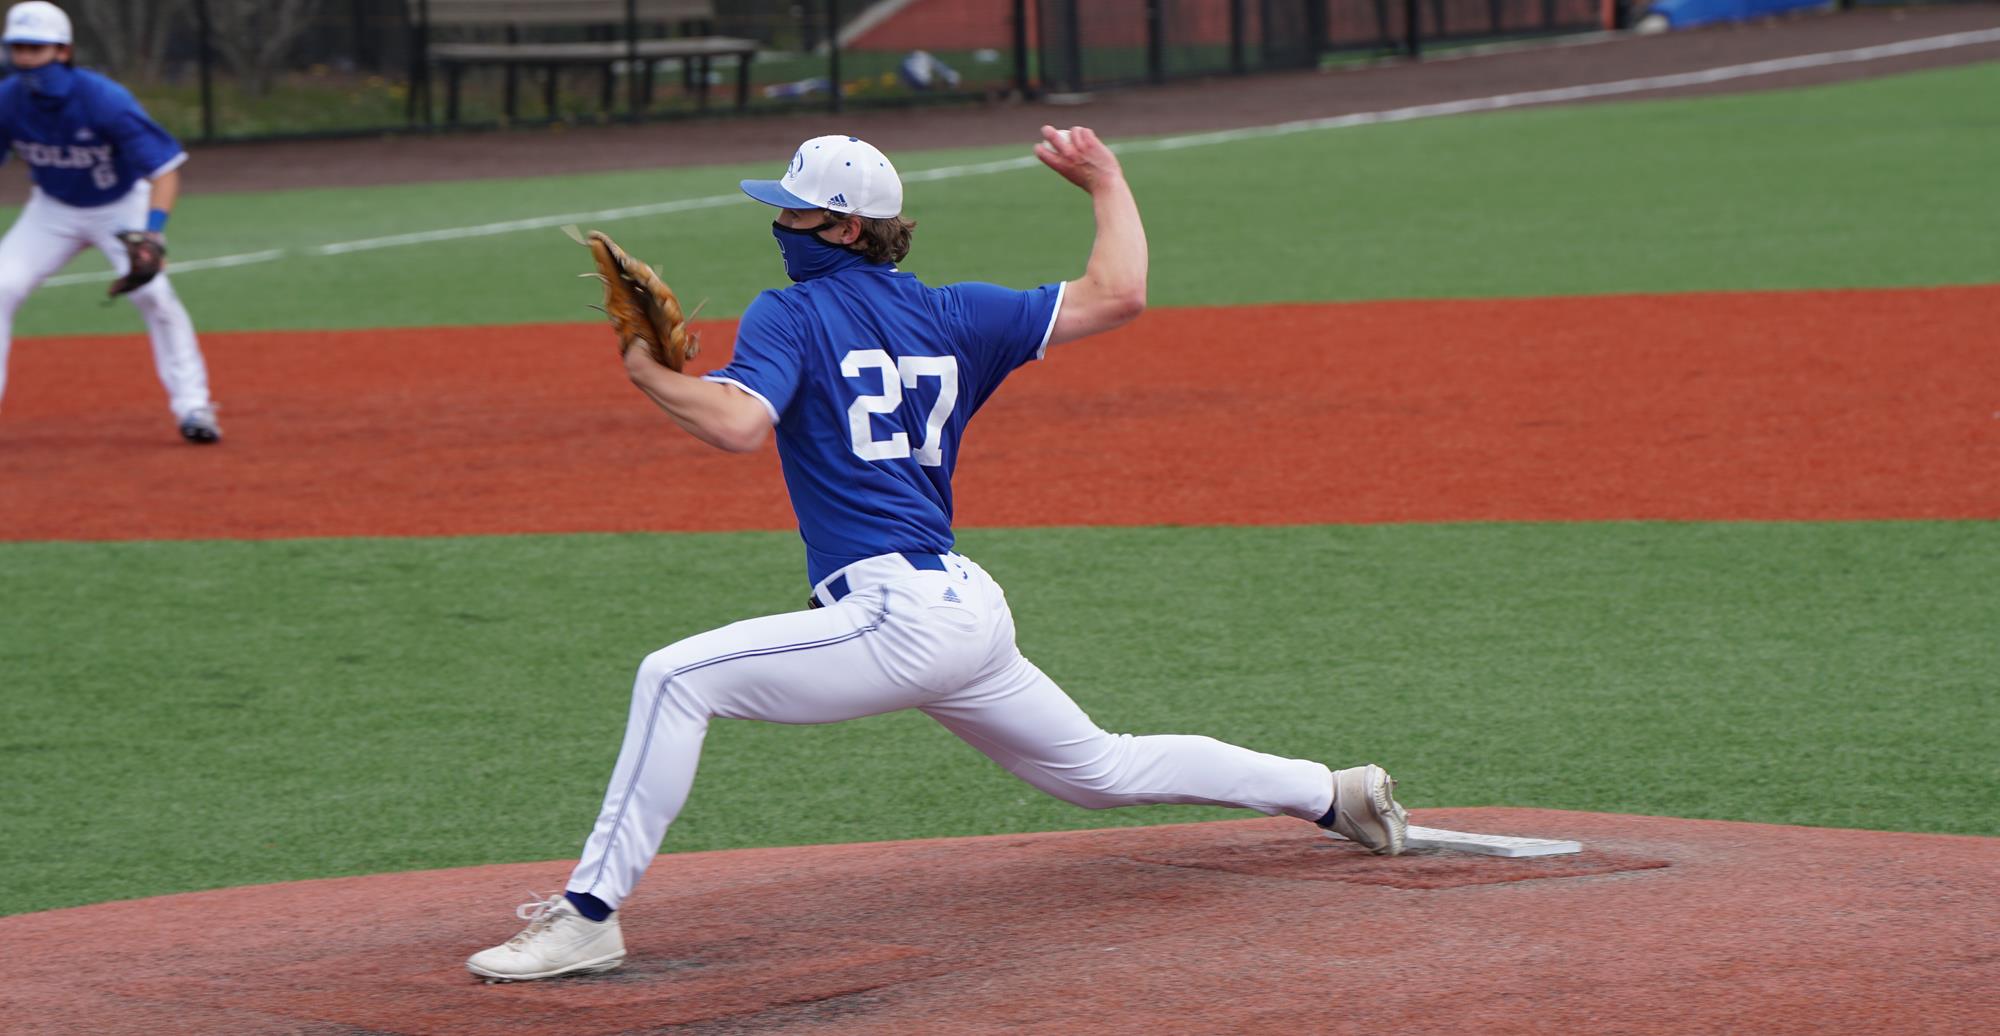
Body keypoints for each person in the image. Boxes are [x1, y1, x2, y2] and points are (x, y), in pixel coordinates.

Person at [466, 127, 1408, 983]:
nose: (779, 226)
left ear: (844, 228)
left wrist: (646, 373)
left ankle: (588, 918)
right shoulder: (959, 313)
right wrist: (1105, 181)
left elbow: (738, 425)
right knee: (1101, 770)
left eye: (794, 212)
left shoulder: (791, 314)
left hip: (896, 619)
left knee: (675, 678)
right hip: (963, 610)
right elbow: (1119, 293)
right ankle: (1334, 794)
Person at [0, 1, 219, 443]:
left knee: (154, 295)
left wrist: (152, 234)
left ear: (63, 51)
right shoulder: (8, 99)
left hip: (120, 206)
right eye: (18, 48)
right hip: (52, 209)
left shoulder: (103, 99)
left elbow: (165, 171)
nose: (25, 59)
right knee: (1, 286)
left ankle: (193, 406)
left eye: (36, 49)